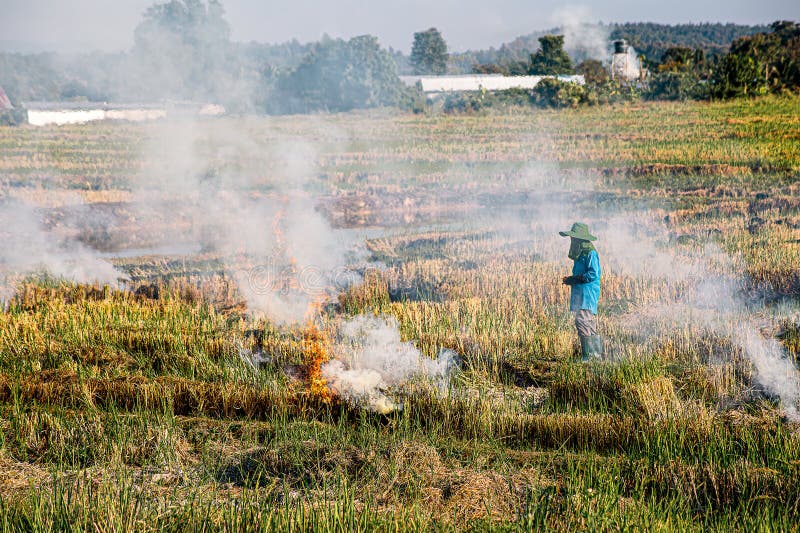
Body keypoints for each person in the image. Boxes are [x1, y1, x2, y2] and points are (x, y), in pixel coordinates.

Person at [559, 222, 603, 361]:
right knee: (586, 321)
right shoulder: (581, 254)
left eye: (575, 238)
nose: (573, 241)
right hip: (581, 292)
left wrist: (576, 278)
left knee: (582, 320)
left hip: (587, 293)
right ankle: (595, 357)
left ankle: (590, 357)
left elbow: (593, 274)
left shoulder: (590, 253)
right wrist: (572, 279)